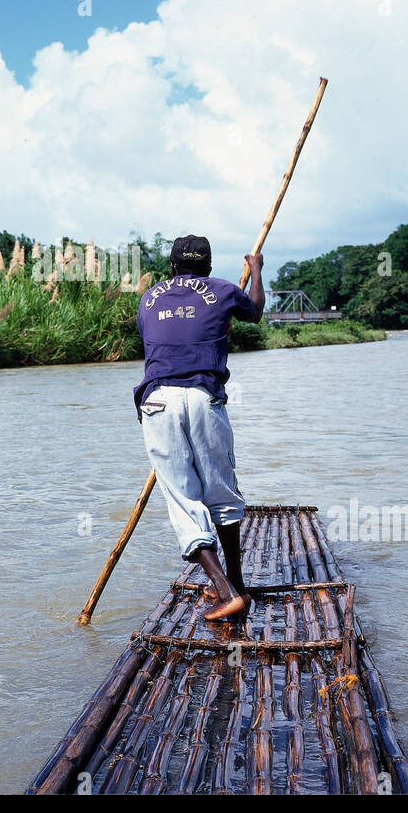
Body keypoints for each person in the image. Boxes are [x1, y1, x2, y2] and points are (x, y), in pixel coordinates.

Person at [134, 235, 265, 621]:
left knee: (184, 500)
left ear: (171, 267)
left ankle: (225, 590)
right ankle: (234, 585)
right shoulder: (223, 290)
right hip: (205, 398)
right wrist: (255, 271)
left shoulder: (149, 298)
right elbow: (254, 310)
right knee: (221, 493)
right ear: (208, 268)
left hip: (159, 399)